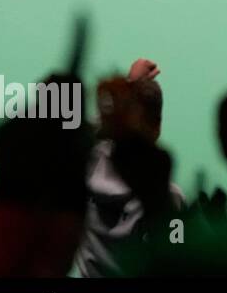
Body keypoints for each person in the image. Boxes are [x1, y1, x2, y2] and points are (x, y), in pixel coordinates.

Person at [74, 59, 185, 277]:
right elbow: (178, 255)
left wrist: (129, 84)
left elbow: (88, 135)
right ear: (158, 128)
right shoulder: (171, 200)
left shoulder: (85, 170)